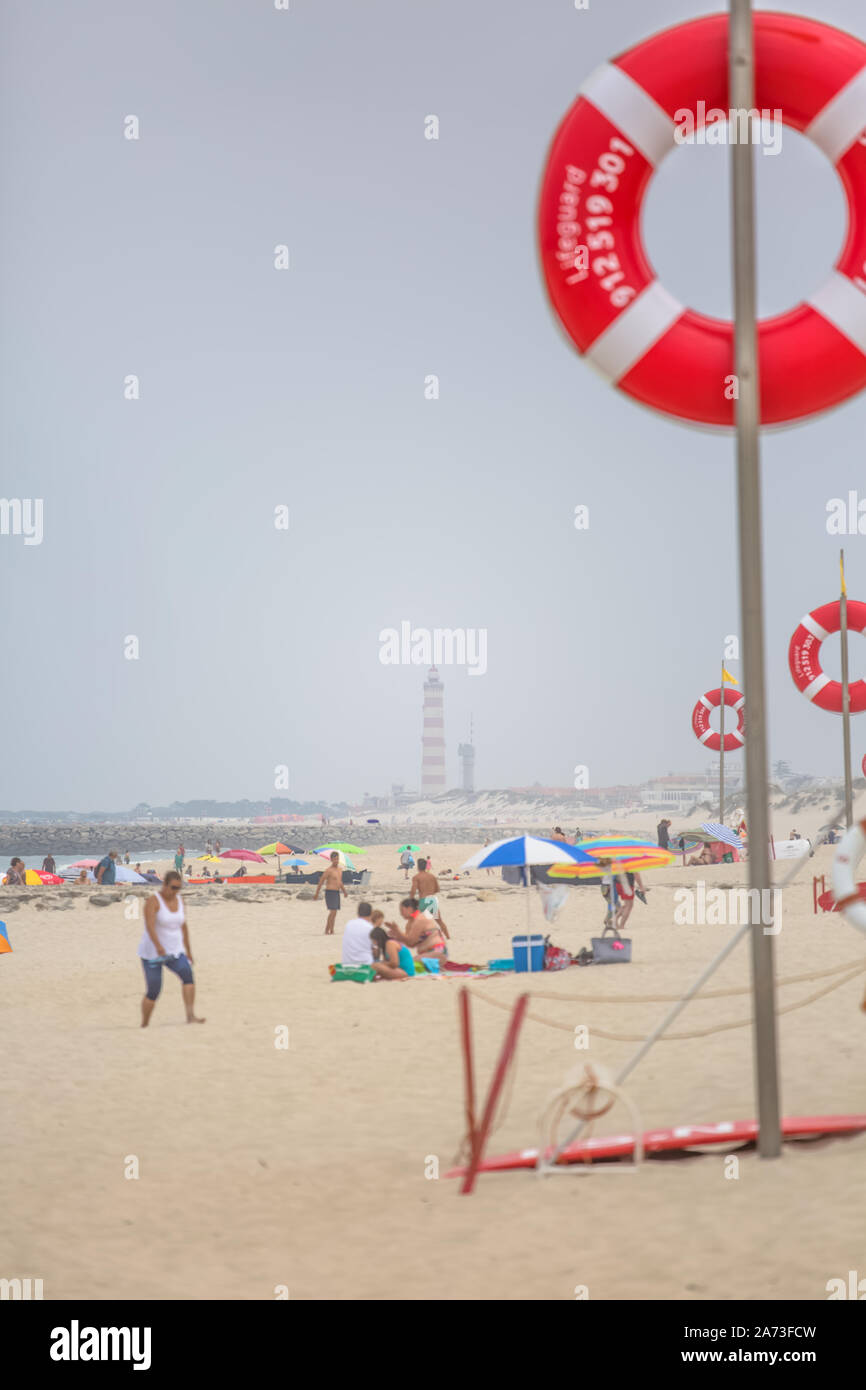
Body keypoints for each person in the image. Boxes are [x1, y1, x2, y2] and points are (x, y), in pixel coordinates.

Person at [138, 869, 204, 1027]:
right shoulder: (153, 901)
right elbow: (150, 926)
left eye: (178, 888)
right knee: (154, 991)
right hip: (153, 953)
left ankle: (190, 1015)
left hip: (175, 951)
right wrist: (158, 946)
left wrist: (189, 952)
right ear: (165, 885)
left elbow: (183, 927)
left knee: (188, 977)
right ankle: (144, 1024)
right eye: (173, 887)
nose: (176, 891)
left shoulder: (180, 901)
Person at [341, 902, 406, 979]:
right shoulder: (371, 929)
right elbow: (375, 952)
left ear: (358, 913)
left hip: (346, 964)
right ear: (371, 913)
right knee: (402, 974)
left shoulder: (349, 924)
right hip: (365, 965)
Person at [410, 858, 450, 939]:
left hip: (423, 900)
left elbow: (413, 890)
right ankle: (448, 937)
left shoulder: (416, 877)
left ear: (418, 867)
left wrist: (411, 900)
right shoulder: (432, 876)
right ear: (426, 867)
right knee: (439, 921)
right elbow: (437, 889)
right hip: (432, 899)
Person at [314, 851, 347, 935]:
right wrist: (316, 893)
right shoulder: (329, 870)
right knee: (332, 912)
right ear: (331, 859)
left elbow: (340, 882)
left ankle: (331, 930)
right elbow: (321, 881)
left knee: (335, 912)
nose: (336, 860)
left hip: (336, 892)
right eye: (335, 859)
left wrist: (344, 891)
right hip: (330, 892)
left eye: (337, 859)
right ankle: (326, 930)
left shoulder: (340, 870)